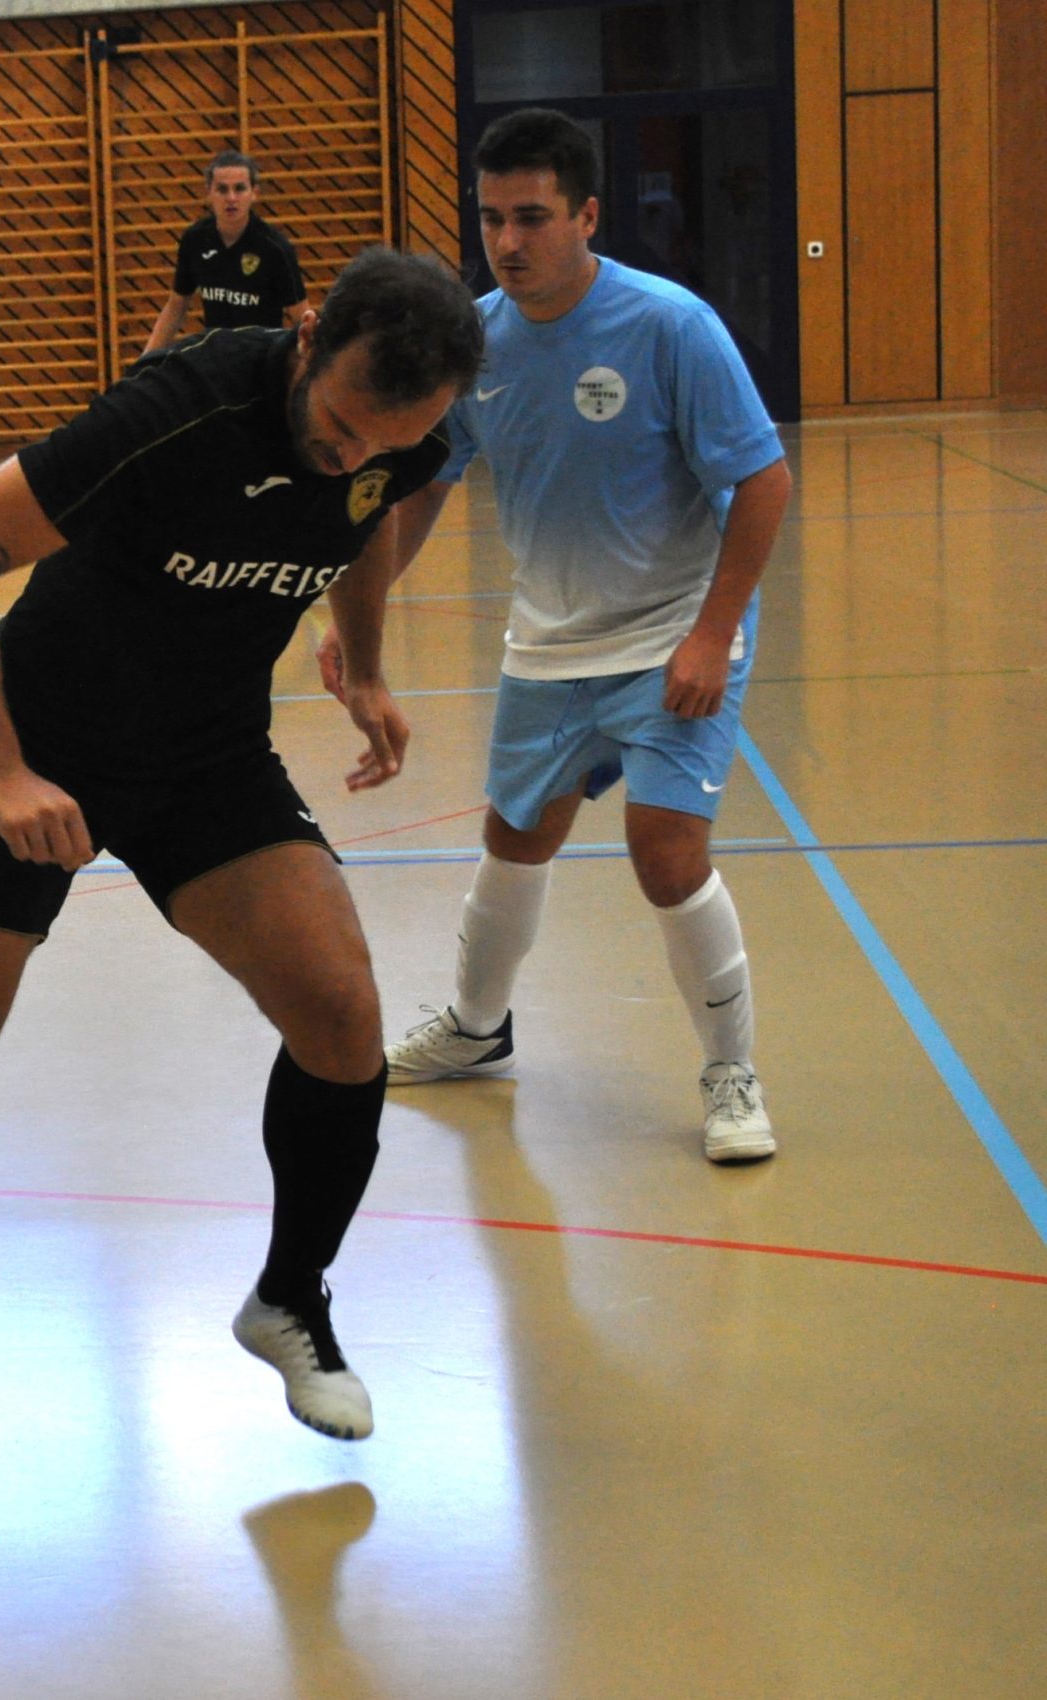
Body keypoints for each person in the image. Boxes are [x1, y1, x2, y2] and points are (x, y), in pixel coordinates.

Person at [0, 248, 486, 1489]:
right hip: (45, 744)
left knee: (341, 1015)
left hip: (206, 757)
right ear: (304, 337)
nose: (351, 456)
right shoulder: (180, 407)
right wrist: (0, 770)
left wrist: (366, 665)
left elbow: (365, 523)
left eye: (385, 442)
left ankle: (289, 1296)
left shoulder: (404, 441)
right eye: (339, 426)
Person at [325, 108, 791, 1165]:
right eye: (491, 218)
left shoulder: (671, 327)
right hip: (549, 641)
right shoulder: (473, 342)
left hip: (673, 628)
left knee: (665, 852)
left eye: (531, 217)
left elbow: (762, 480)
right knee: (514, 838)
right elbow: (422, 486)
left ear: (586, 216)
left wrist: (712, 634)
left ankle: (731, 1072)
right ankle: (477, 1030)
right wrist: (362, 619)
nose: (507, 241)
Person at [143, 148, 309, 354]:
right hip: (216, 360)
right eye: (222, 189)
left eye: (239, 189)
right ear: (209, 193)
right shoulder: (195, 239)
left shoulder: (275, 248)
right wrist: (144, 361)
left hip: (262, 360)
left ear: (254, 193)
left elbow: (301, 318)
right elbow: (176, 307)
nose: (231, 198)